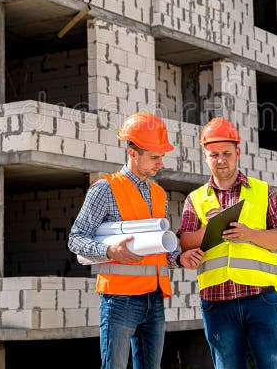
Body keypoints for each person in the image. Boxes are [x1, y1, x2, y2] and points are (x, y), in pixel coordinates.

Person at [68, 111, 204, 369]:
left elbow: (157, 252)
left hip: (154, 299)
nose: (160, 163)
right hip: (119, 300)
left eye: (162, 156)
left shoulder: (158, 193)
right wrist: (109, 251)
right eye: (154, 157)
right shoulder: (105, 188)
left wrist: (180, 259)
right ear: (133, 153)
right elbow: (76, 239)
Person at [178, 117, 277, 369]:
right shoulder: (195, 199)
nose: (221, 160)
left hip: (260, 299)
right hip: (217, 302)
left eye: (227, 153)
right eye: (214, 154)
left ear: (238, 153)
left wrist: (249, 234)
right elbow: (184, 243)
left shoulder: (263, 191)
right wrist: (208, 230)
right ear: (206, 156)